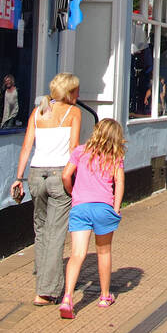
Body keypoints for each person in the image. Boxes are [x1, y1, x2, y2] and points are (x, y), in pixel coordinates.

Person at [12, 73, 82, 306]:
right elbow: (73, 149)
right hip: (59, 175)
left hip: (35, 174)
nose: (78, 95)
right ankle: (46, 290)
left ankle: (42, 278)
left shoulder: (38, 112)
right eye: (76, 91)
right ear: (70, 92)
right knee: (56, 233)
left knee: (41, 229)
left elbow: (26, 148)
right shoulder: (74, 113)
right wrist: (77, 177)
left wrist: (18, 178)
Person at [59, 117, 125, 318]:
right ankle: (105, 296)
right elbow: (119, 182)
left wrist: (73, 193)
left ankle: (68, 298)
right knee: (103, 252)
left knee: (77, 254)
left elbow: (65, 175)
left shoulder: (80, 151)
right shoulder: (115, 156)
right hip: (104, 207)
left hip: (81, 207)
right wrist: (116, 207)